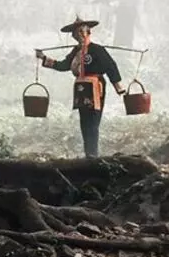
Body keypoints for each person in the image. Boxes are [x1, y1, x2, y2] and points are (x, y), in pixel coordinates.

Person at [36, 16, 125, 158]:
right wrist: (44, 58)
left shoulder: (97, 50)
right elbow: (64, 65)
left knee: (93, 122)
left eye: (83, 32)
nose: (80, 36)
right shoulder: (75, 52)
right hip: (80, 90)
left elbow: (110, 66)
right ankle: (88, 155)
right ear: (74, 36)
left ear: (88, 32)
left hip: (95, 87)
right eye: (77, 34)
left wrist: (118, 86)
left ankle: (93, 155)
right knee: (84, 123)